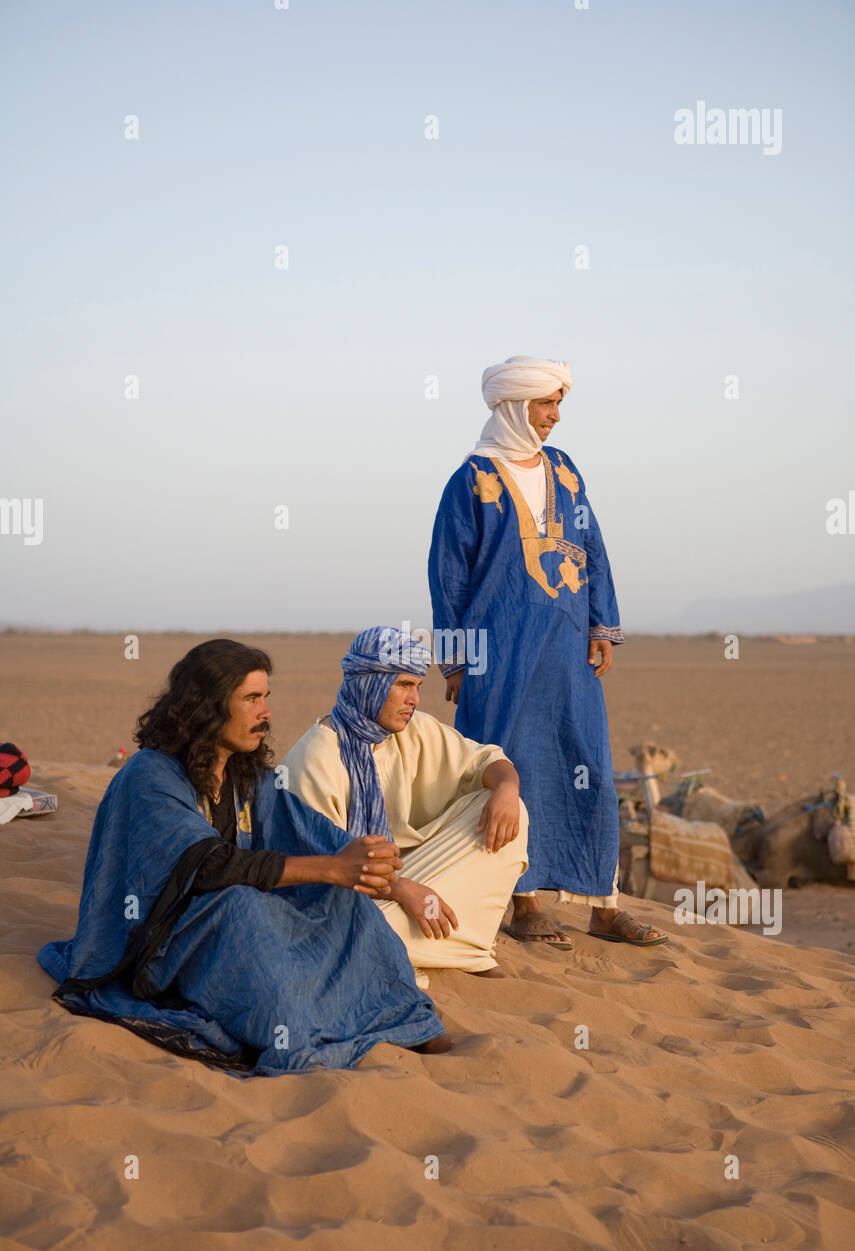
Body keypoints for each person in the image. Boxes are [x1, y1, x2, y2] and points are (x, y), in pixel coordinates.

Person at [38, 639, 451, 1073]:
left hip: (230, 923)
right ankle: (296, 1034)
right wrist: (331, 867)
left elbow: (308, 832)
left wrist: (389, 880)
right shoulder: (150, 774)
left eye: (266, 698)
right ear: (208, 705)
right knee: (243, 907)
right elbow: (209, 863)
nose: (266, 713)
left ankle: (404, 1017)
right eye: (251, 699)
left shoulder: (243, 772)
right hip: (158, 941)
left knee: (342, 899)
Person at [427, 355, 667, 948]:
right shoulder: (473, 480)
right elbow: (447, 575)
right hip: (497, 654)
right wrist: (456, 661)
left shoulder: (565, 472)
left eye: (559, 404)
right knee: (511, 768)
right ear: (515, 405)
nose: (556, 416)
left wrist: (601, 626)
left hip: (567, 652)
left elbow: (593, 547)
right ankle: (523, 902)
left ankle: (604, 905)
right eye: (546, 404)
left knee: (585, 761)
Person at [280, 626, 529, 983]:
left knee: (509, 808)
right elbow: (320, 868)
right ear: (369, 682)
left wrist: (508, 787)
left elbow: (484, 762)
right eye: (403, 685)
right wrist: (400, 889)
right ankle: (455, 948)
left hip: (408, 871)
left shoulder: (414, 729)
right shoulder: (317, 756)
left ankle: (447, 945)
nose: (415, 699)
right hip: (344, 898)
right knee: (368, 934)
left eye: (418, 686)